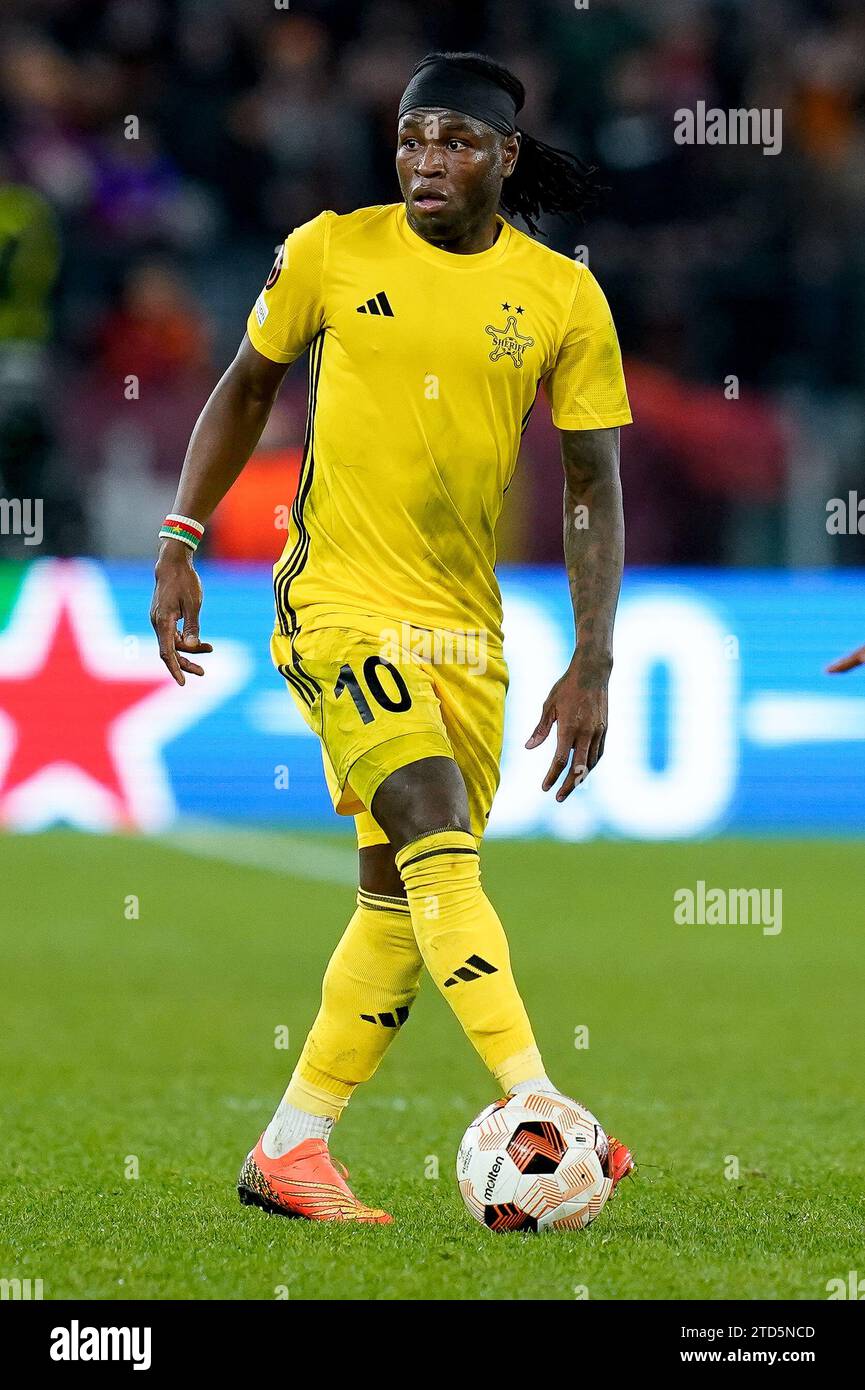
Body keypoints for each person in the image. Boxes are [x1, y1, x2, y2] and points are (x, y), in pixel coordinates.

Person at [150, 52, 634, 1223]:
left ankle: (292, 1147)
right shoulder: (329, 249)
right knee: (427, 819)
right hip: (337, 599)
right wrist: (180, 533)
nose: (427, 161)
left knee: (398, 899)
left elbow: (588, 482)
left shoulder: (562, 298)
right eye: (413, 138)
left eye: (456, 143)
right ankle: (541, 1105)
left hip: (467, 628)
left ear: (505, 157)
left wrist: (592, 654)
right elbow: (247, 386)